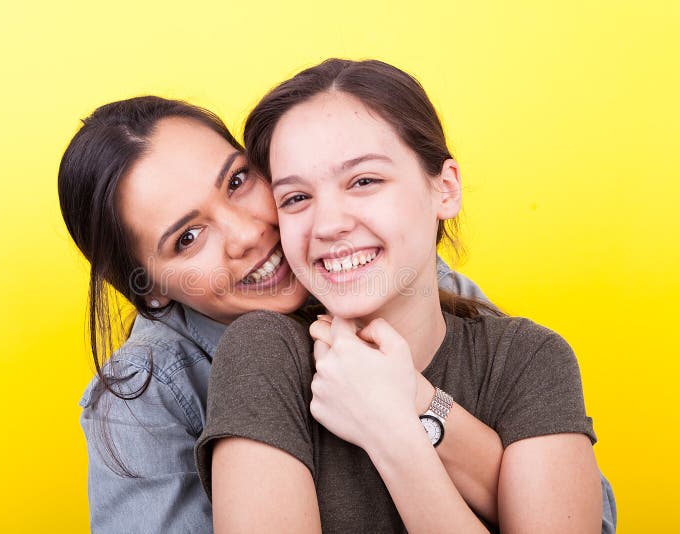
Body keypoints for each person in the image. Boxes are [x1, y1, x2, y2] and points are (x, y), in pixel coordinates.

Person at [195, 59, 616, 533]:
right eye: (296, 198)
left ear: (445, 189)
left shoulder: (528, 359)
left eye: (364, 181)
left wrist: (393, 427)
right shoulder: (266, 355)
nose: (328, 224)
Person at [58, 96, 488, 532]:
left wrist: (411, 406)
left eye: (237, 181)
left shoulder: (391, 271)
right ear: (150, 292)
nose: (245, 233)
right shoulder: (141, 398)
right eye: (187, 238)